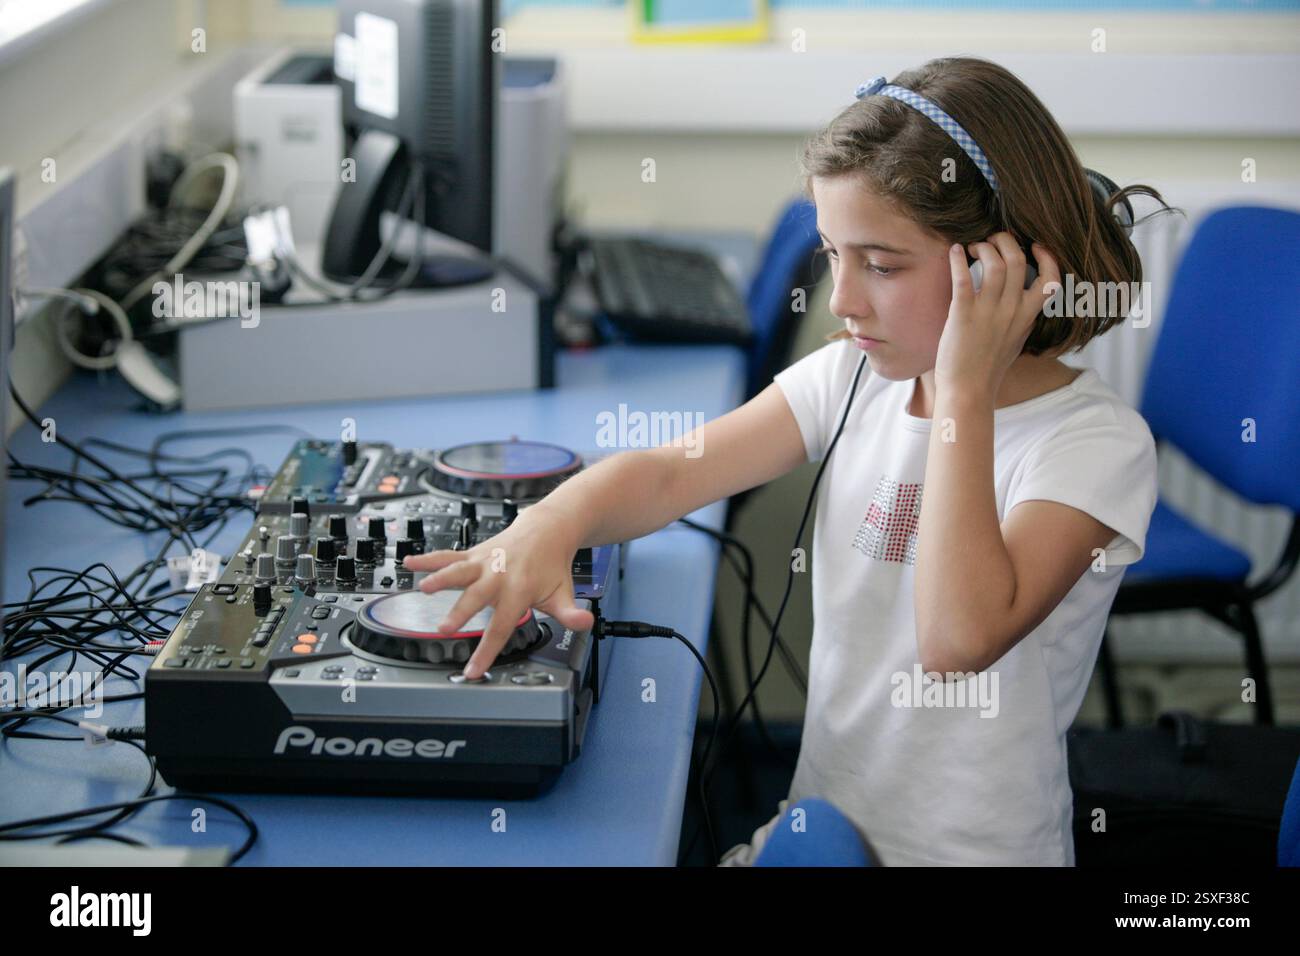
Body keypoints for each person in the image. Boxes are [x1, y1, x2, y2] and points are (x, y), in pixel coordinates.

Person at [405, 56, 1174, 866]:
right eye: (831, 254)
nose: (841, 300)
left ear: (999, 267)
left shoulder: (1093, 445)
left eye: (880, 264)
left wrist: (963, 395)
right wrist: (549, 521)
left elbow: (955, 641)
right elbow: (672, 473)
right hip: (821, 829)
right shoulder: (854, 376)